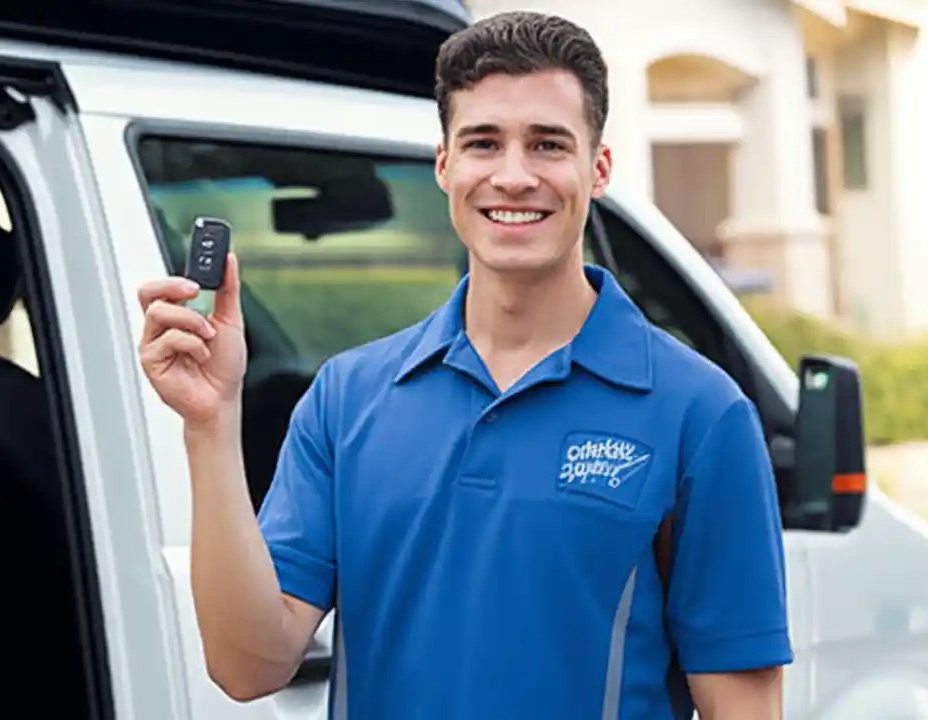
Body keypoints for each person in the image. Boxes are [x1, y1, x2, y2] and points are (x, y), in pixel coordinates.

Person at [136, 10, 791, 720]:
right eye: (484, 143)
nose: (514, 177)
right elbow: (245, 665)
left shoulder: (699, 411)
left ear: (597, 168)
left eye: (547, 144)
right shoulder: (347, 399)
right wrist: (210, 423)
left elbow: (743, 708)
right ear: (445, 164)